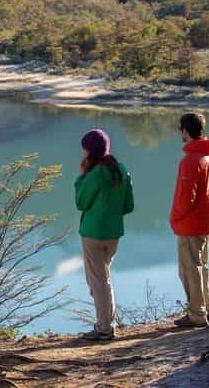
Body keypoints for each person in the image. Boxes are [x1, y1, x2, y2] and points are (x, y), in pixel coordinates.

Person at [75, 129, 134, 341]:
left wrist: (81, 177)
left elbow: (81, 202)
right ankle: (109, 322)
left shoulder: (95, 174)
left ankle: (104, 328)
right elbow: (128, 205)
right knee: (103, 279)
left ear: (90, 151)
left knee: (98, 282)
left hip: (93, 233)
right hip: (114, 233)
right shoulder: (121, 170)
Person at [171, 113, 209, 328]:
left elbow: (185, 198)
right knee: (202, 266)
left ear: (185, 131)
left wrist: (175, 217)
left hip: (191, 224)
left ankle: (197, 314)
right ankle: (208, 307)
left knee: (189, 269)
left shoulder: (191, 160)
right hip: (208, 221)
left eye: (180, 130)